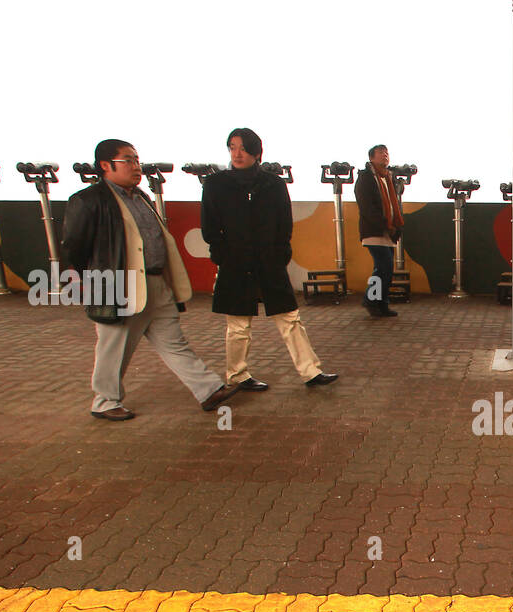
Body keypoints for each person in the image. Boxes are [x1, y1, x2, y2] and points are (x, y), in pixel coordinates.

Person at [61, 138, 240, 421]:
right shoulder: (88, 200)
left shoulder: (140, 196)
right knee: (114, 347)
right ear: (106, 165)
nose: (136, 166)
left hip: (155, 283)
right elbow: (74, 247)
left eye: (136, 159)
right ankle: (105, 402)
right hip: (120, 286)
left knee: (173, 342)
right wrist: (92, 281)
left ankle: (208, 389)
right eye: (128, 160)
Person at [201, 128, 338, 391]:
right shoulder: (216, 184)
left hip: (269, 261)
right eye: (232, 147)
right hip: (235, 263)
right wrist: (222, 255)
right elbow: (209, 226)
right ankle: (237, 375)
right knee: (238, 325)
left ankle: (310, 371)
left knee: (290, 318)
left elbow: (284, 223)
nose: (237, 153)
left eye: (242, 147)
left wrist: (280, 254)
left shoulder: (273, 183)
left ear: (256, 151)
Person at [354, 144, 402, 318]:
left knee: (385, 269)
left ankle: (381, 304)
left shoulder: (388, 177)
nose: (385, 156)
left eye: (387, 153)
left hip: (388, 231)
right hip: (374, 231)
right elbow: (367, 207)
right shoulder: (366, 178)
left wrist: (394, 225)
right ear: (371, 158)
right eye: (381, 153)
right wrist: (384, 224)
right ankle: (371, 300)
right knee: (383, 267)